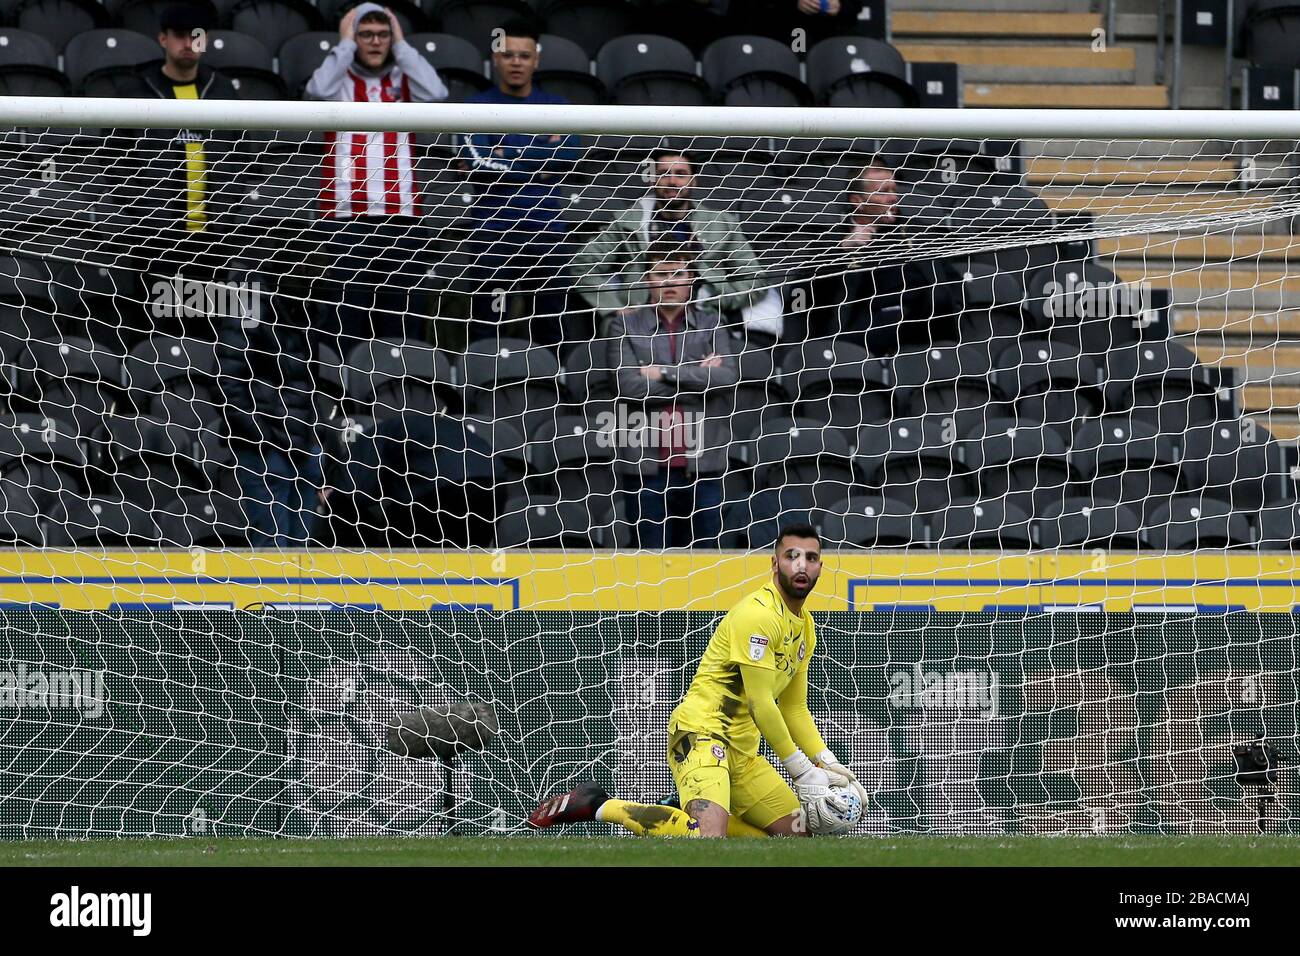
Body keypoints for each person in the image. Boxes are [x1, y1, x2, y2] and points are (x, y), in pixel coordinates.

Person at [528, 523, 869, 837]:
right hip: (702, 734)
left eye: (811, 558)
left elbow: (794, 708)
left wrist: (827, 762)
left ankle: (681, 810)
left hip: (744, 755)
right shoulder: (759, 615)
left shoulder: (805, 626)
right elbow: (761, 702)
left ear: (821, 567)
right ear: (774, 562)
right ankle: (599, 805)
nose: (801, 565)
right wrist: (802, 771)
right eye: (792, 556)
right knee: (705, 839)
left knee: (799, 836)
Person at [306, 3, 449, 350]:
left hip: (402, 220)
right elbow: (317, 91)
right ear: (353, 39)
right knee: (344, 324)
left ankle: (399, 398)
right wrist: (343, 44)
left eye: (383, 35)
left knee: (401, 325)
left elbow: (438, 95)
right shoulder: (339, 81)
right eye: (365, 34)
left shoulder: (405, 81)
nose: (375, 42)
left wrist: (402, 44)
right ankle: (340, 400)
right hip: (344, 220)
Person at [607, 240, 737, 549]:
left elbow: (726, 377)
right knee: (650, 565)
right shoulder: (623, 325)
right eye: (660, 274)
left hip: (703, 465)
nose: (669, 282)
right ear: (646, 280)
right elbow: (629, 386)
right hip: (645, 466)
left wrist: (663, 373)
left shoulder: (712, 323)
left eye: (678, 273)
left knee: (707, 564)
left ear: (691, 278)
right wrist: (697, 376)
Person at [456, 18, 579, 346]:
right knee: (488, 327)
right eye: (508, 55)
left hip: (547, 234)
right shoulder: (475, 107)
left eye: (524, 56)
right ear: (496, 58)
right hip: (494, 236)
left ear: (536, 60)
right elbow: (478, 164)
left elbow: (566, 158)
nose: (516, 62)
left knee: (550, 330)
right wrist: (539, 153)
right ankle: (486, 393)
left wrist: (505, 150)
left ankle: (554, 395)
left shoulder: (558, 108)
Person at [107, 4, 245, 282]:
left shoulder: (223, 90)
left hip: (214, 240)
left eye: (196, 35)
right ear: (163, 38)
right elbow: (114, 161)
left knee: (209, 321)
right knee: (154, 324)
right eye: (180, 35)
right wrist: (144, 214)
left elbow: (242, 157)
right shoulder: (135, 92)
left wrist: (228, 209)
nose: (189, 43)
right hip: (154, 242)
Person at [574, 149, 774, 337]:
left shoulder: (722, 224)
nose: (672, 181)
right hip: (639, 321)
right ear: (653, 180)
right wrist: (615, 308)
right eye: (664, 174)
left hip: (702, 320)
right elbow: (581, 265)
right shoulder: (627, 221)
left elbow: (755, 279)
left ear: (693, 181)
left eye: (680, 174)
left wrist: (714, 297)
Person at [805, 163, 959, 354]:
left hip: (923, 325)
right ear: (857, 201)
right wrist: (843, 249)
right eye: (883, 191)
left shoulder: (919, 232)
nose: (893, 198)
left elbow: (952, 284)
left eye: (894, 190)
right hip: (863, 330)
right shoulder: (833, 240)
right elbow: (806, 295)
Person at [216, 286, 323, 549]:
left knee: (301, 558)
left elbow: (310, 385)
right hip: (266, 453)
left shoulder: (307, 309)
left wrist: (316, 442)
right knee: (273, 554)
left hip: (303, 449)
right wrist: (263, 438)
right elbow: (225, 383)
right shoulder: (248, 306)